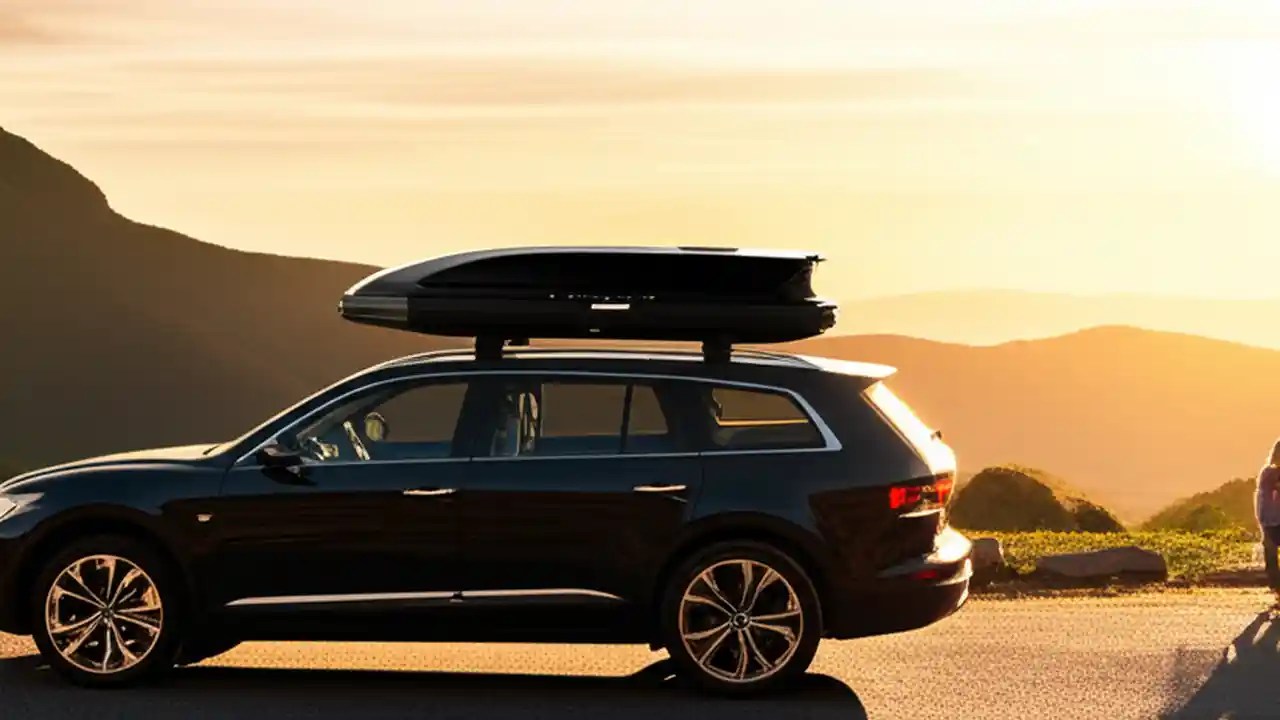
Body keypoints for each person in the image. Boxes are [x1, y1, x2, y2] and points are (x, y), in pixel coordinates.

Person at [1257, 440, 1280, 604]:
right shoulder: (1268, 474)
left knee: (1271, 558)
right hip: (1271, 521)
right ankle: (1277, 590)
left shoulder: (1267, 473)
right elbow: (1262, 499)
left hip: (1270, 521)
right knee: (1271, 559)